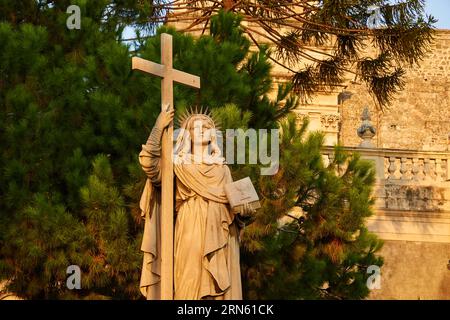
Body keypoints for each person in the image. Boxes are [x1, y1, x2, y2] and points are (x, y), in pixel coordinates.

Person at [138, 105, 254, 300]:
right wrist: (158, 127)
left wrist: (246, 210)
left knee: (219, 289)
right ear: (187, 134)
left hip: (220, 232)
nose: (202, 131)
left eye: (207, 127)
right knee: (187, 283)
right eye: (196, 128)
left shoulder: (222, 169)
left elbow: (238, 211)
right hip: (190, 227)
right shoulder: (177, 165)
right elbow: (149, 163)